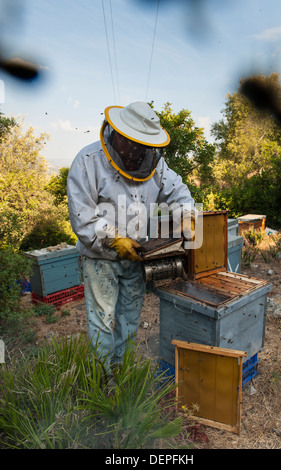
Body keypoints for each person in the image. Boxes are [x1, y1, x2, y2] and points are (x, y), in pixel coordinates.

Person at [67, 101, 196, 370]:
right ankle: (101, 379)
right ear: (119, 136)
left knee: (129, 318)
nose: (139, 152)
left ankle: (121, 371)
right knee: (101, 320)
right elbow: (82, 216)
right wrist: (114, 239)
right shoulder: (87, 162)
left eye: (145, 146)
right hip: (100, 258)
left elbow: (177, 190)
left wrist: (187, 215)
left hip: (138, 255)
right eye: (135, 145)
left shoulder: (154, 164)